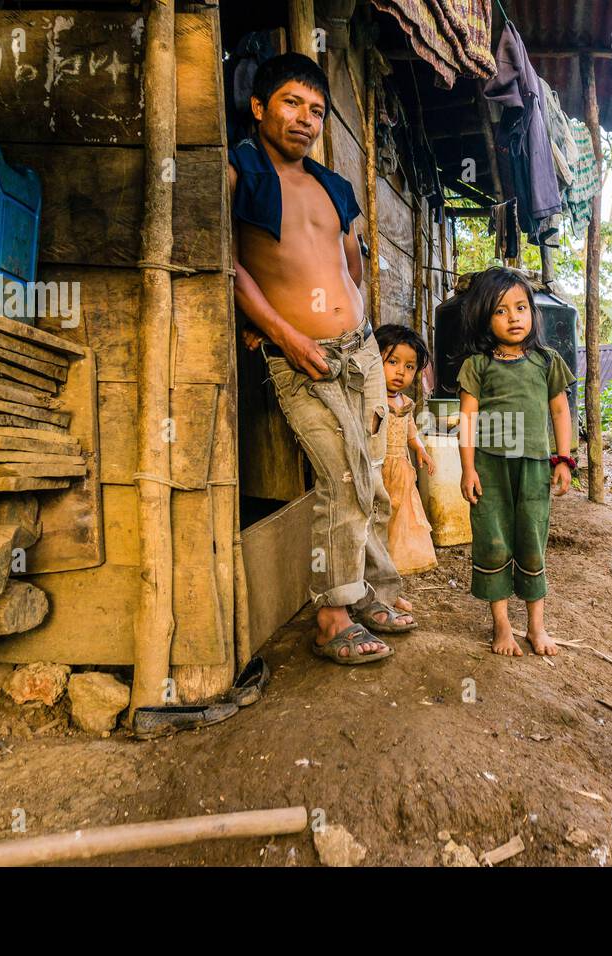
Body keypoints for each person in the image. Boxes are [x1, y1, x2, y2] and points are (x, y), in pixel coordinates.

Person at [227, 53, 416, 665]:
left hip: (357, 348)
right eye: (291, 104)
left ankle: (372, 591)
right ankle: (333, 617)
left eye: (315, 109)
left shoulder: (333, 184)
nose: (305, 119)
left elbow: (351, 258)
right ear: (259, 107)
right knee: (343, 478)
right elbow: (226, 263)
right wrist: (281, 332)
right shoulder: (238, 170)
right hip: (302, 357)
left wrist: (353, 317)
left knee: (373, 478)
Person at [456, 268, 576, 658]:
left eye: (521, 307)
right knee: (492, 541)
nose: (514, 317)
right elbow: (468, 420)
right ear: (484, 317)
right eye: (501, 310)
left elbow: (560, 412)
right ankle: (502, 626)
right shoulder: (477, 366)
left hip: (534, 467)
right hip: (490, 467)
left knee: (532, 540)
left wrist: (564, 459)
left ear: (533, 312)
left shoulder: (546, 361)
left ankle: (536, 627)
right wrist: (468, 468)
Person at [373, 323, 438, 576]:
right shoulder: (373, 399)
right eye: (392, 362)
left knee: (399, 521)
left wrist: (420, 449)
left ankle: (393, 568)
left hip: (400, 472)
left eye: (409, 366)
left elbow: (410, 429)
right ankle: (375, 569)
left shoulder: (405, 402)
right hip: (377, 470)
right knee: (377, 519)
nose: (401, 372)